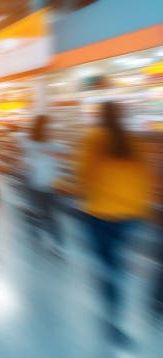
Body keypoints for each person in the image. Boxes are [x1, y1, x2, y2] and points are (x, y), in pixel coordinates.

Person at [74, 101, 153, 345]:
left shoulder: (94, 139)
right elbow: (145, 177)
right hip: (131, 215)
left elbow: (84, 175)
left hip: (99, 213)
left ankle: (111, 307)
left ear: (100, 116)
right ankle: (115, 313)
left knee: (107, 264)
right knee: (117, 263)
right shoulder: (134, 141)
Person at [18, 115, 66, 255]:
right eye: (47, 126)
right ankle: (42, 238)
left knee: (49, 214)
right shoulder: (32, 144)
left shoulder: (53, 146)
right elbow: (25, 163)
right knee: (43, 213)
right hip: (36, 183)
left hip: (49, 185)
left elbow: (61, 161)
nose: (50, 129)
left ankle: (56, 243)